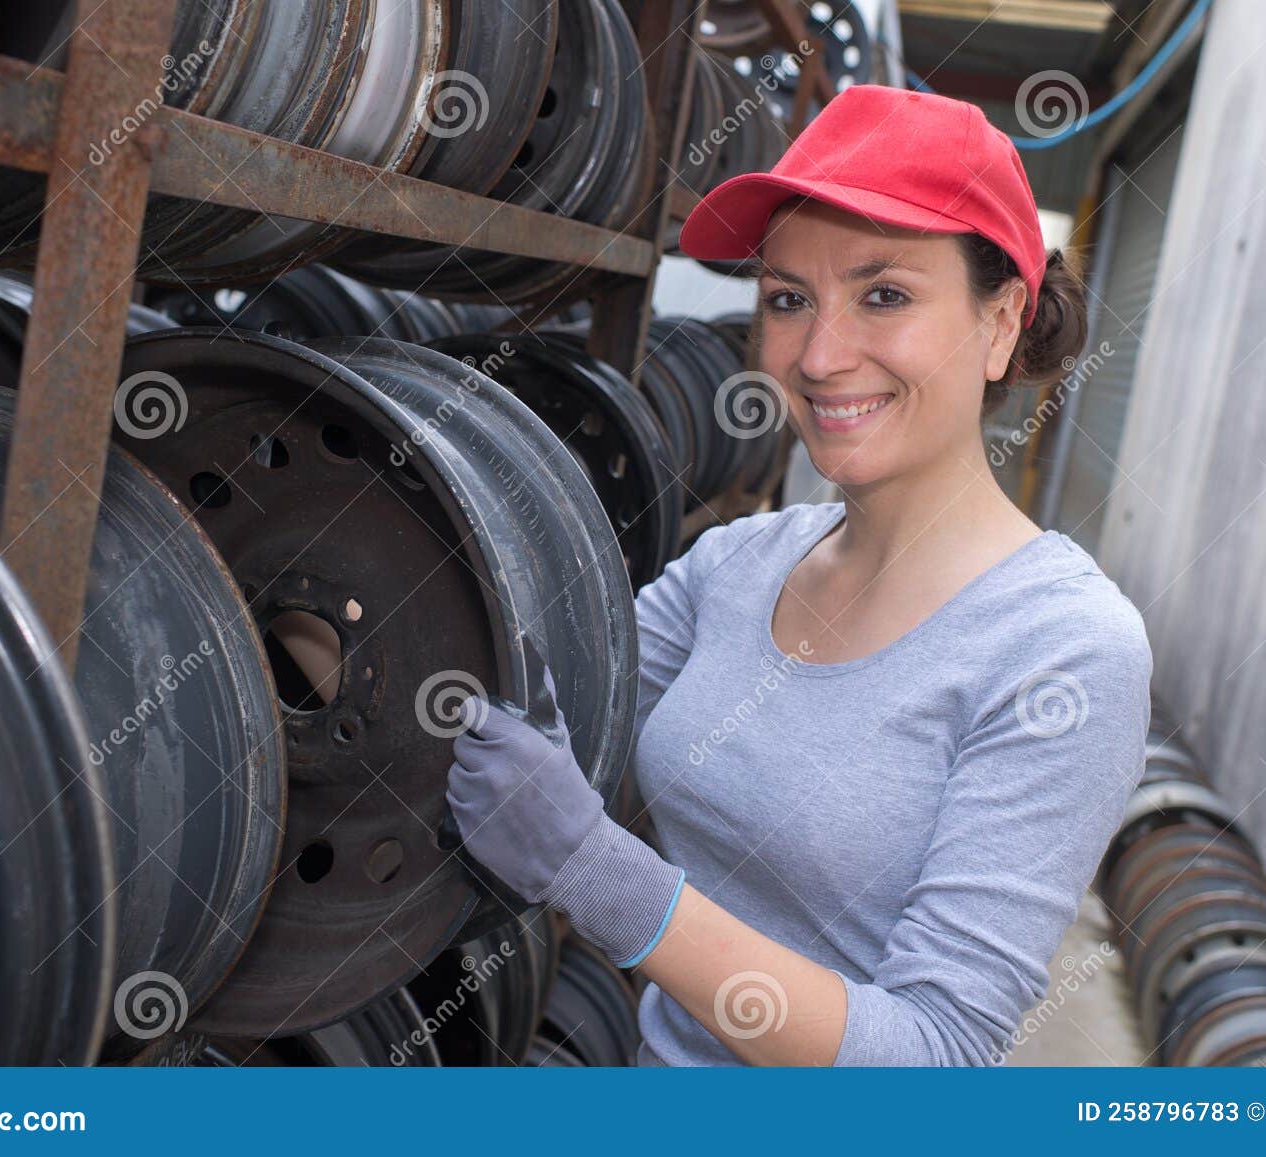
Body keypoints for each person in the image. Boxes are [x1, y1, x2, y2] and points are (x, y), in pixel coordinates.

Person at [445, 84, 1153, 1066]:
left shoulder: (1062, 649)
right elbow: (528, 690)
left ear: (1001, 323)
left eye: (885, 294)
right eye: (786, 299)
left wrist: (598, 874)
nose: (818, 356)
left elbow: (933, 1058)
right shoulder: (737, 563)